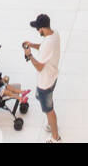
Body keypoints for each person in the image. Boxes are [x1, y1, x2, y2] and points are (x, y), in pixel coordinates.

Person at [23, 13, 62, 143]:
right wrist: (32, 45)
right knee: (43, 100)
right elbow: (44, 46)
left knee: (49, 110)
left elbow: (39, 67)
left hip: (45, 82)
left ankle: (55, 137)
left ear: (42, 28)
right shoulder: (54, 34)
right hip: (52, 76)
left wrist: (29, 55)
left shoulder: (48, 44)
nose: (37, 30)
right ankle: (52, 124)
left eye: (37, 28)